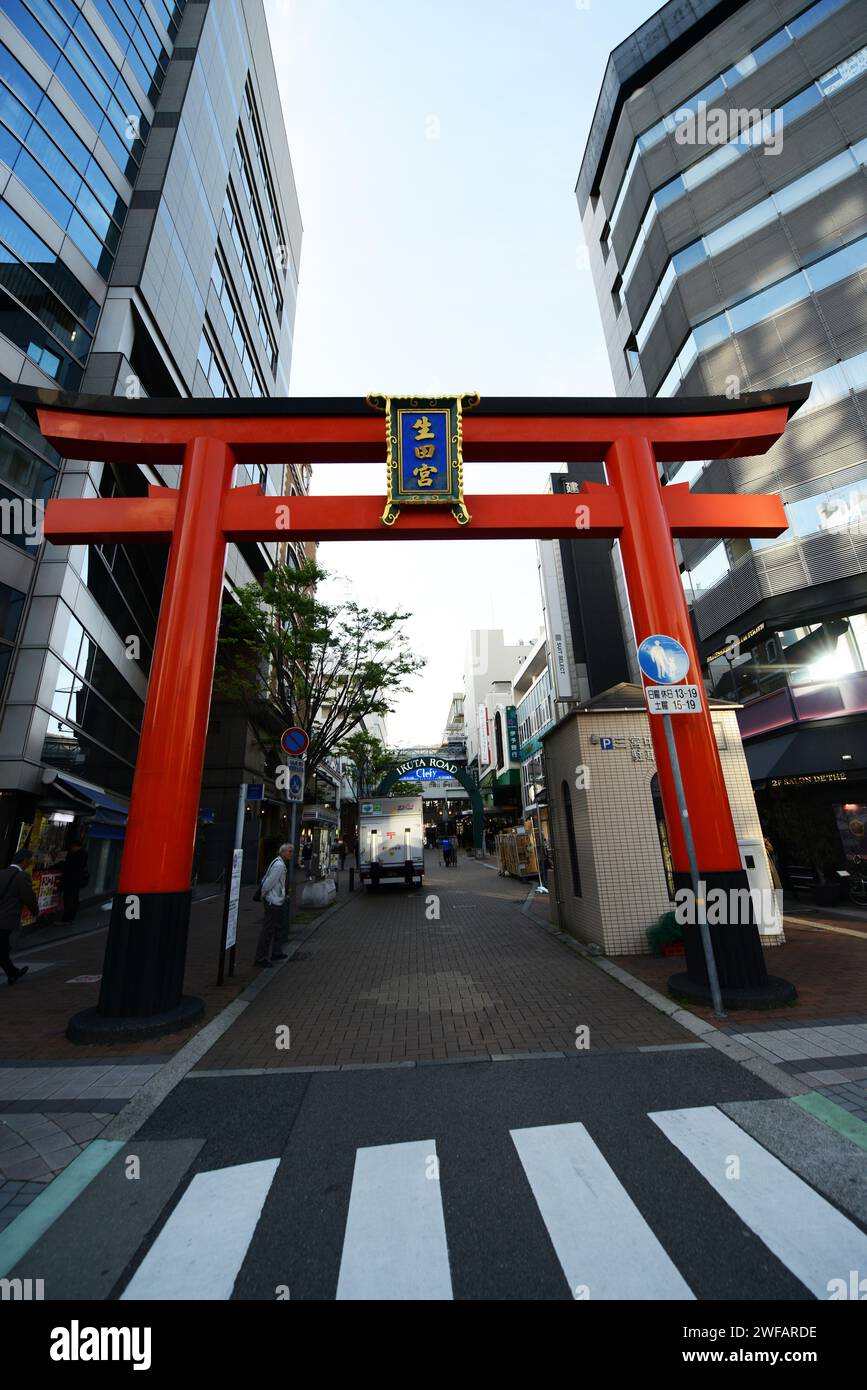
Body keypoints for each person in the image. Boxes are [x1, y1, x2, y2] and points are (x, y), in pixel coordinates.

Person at [0, 850, 38, 986]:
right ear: (24, 861)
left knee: (3, 947)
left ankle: (12, 973)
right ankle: (13, 973)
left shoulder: (2, 873)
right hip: (7, 919)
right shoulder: (22, 876)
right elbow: (28, 896)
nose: (30, 863)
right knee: (3, 948)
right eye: (30, 860)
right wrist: (35, 911)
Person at [254, 843, 293, 967]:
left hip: (275, 900)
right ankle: (260, 958)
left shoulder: (277, 862)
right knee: (268, 929)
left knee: (277, 927)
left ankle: (276, 952)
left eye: (292, 851)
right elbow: (268, 883)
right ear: (283, 852)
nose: (291, 854)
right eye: (289, 851)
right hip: (273, 901)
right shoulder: (279, 865)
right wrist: (264, 895)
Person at [60, 839, 89, 923]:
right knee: (73, 898)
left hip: (72, 881)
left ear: (75, 846)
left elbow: (71, 866)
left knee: (69, 899)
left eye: (72, 846)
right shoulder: (83, 853)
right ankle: (70, 918)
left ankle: (67, 919)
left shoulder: (78, 854)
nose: (71, 848)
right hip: (76, 881)